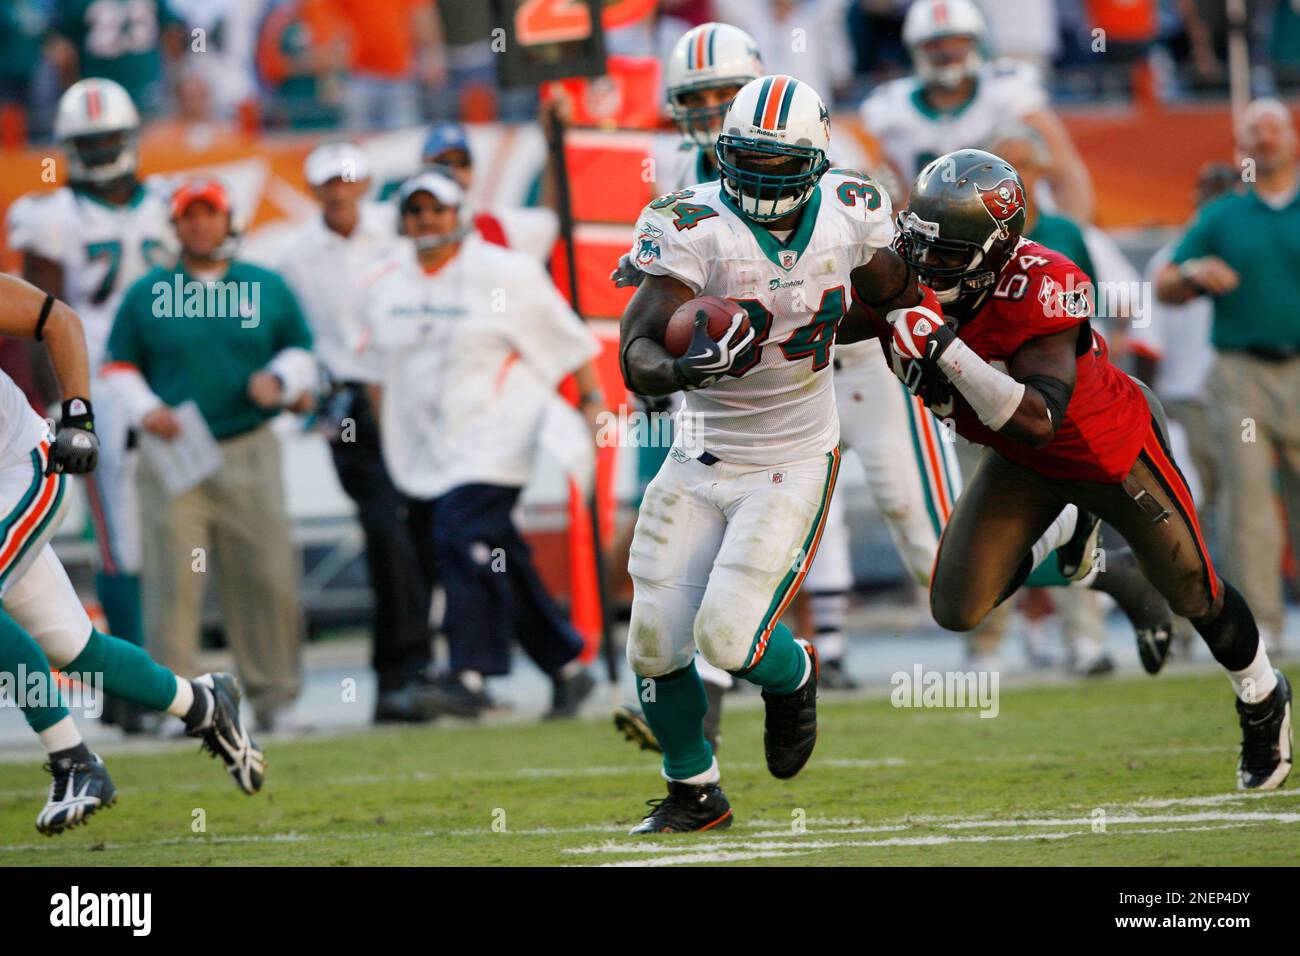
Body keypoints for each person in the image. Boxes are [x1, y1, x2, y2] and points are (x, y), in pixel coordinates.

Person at [853, 148, 1291, 791]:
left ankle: (1261, 696)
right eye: (918, 245)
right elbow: (824, 323)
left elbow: (1040, 420)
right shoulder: (911, 277)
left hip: (1107, 452)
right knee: (956, 605)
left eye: (945, 253)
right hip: (1024, 464)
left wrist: (943, 347)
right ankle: (1079, 547)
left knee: (1194, 592)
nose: (925, 264)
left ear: (995, 251)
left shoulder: (1046, 282)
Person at [0, 273, 263, 835]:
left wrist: (78, 418)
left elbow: (58, 320)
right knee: (73, 648)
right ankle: (201, 703)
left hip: (20, 468)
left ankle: (75, 762)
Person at [357, 170, 600, 719]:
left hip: (498, 432)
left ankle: (469, 673)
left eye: (436, 209)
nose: (426, 220)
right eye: (415, 210)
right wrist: (389, 441)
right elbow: (376, 371)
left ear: (459, 212)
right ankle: (566, 666)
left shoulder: (505, 273)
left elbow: (566, 340)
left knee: (458, 535)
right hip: (428, 446)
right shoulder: (385, 282)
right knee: (495, 554)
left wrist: (591, 403)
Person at [103, 177, 317, 733]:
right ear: (174, 226)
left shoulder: (265, 285)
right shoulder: (148, 292)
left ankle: (276, 696)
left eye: (209, 213)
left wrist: (280, 378)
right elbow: (118, 363)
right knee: (174, 579)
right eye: (189, 215)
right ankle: (180, 703)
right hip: (175, 452)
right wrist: (146, 406)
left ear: (229, 220)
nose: (199, 224)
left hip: (248, 445)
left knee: (265, 572)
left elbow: (301, 350)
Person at [6, 77, 175, 733]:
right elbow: (44, 315)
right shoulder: (51, 214)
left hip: (162, 381)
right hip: (95, 384)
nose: (102, 149)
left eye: (111, 139)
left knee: (173, 535)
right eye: (90, 141)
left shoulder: (168, 203)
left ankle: (169, 684)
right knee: (118, 541)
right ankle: (134, 695)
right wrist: (63, 409)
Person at [268, 142, 435, 724]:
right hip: (349, 404)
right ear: (315, 190)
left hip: (408, 396)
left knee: (417, 528)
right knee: (385, 527)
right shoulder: (295, 257)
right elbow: (294, 337)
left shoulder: (396, 237)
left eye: (346, 180)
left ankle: (413, 670)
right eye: (327, 182)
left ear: (363, 184)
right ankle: (402, 674)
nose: (338, 190)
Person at [1155, 99, 1300, 655]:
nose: (1265, 139)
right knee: (1247, 504)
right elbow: (1166, 283)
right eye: (1253, 132)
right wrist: (1192, 272)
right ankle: (1264, 625)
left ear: (1289, 137)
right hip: (1242, 372)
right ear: (1243, 148)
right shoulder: (1223, 215)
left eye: (1273, 128)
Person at [859, 0, 1093, 222]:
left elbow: (1065, 174)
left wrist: (1068, 234)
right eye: (934, 44)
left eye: (957, 41)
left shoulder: (1008, 93)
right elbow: (894, 199)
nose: (947, 52)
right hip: (938, 241)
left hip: (1021, 231)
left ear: (976, 42)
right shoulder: (892, 110)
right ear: (915, 50)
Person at [1142, 162, 1239, 529]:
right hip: (1187, 405)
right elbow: (1146, 345)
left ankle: (1239, 585)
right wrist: (1156, 418)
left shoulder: (1249, 249)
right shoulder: (1169, 260)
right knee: (1192, 511)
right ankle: (1207, 586)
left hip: (1244, 399)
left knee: (1243, 508)